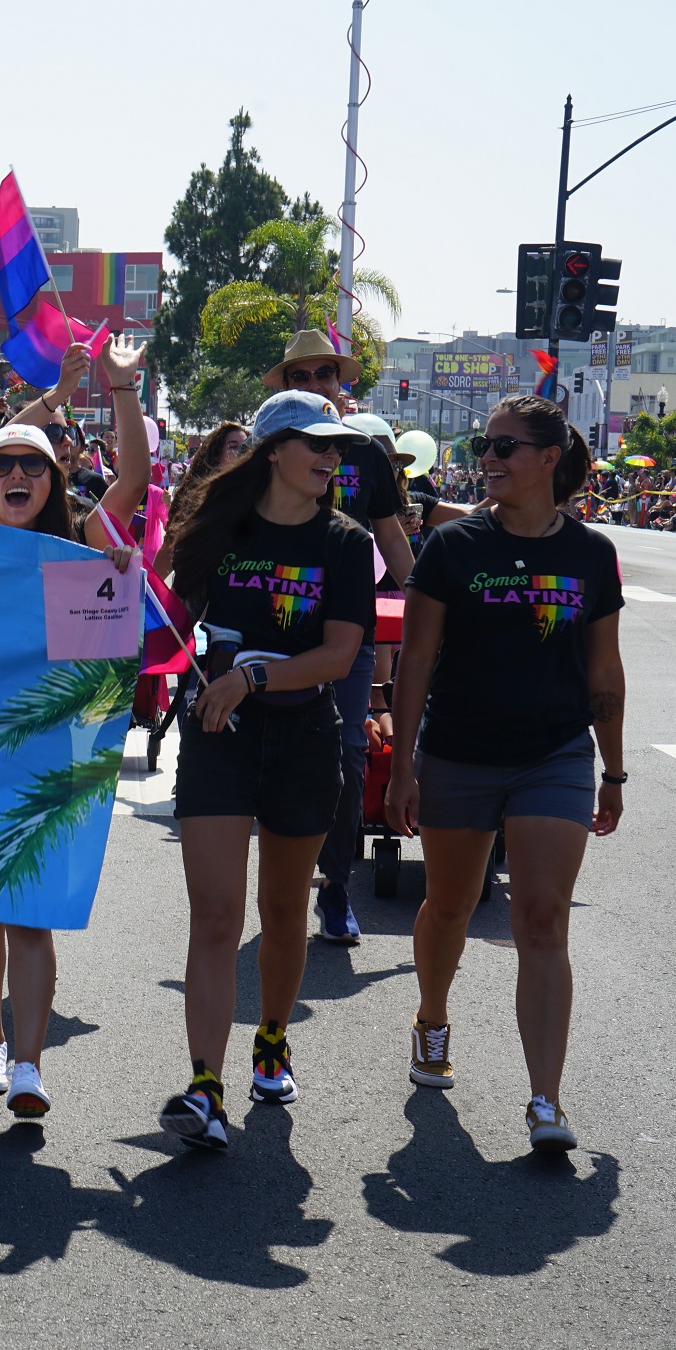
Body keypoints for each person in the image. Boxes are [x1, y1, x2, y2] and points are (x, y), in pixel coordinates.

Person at [386, 394, 625, 1154]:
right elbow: (416, 660)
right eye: (484, 445)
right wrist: (402, 765)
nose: (487, 457)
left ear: (549, 459)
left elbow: (605, 669)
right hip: (459, 751)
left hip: (554, 754)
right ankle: (432, 1017)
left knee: (543, 919)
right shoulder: (452, 547)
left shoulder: (591, 554)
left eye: (505, 446)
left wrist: (614, 770)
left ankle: (545, 1099)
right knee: (450, 906)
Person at [155, 390, 376, 1151]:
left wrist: (250, 677)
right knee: (216, 916)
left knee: (283, 913)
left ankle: (272, 1040)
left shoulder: (345, 542)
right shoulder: (219, 528)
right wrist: (125, 575)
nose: (330, 457)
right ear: (273, 450)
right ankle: (205, 1086)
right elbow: (162, 611)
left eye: (336, 446)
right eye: (316, 442)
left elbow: (339, 654)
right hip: (218, 736)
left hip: (304, 737)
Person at [0, 335, 151, 1118]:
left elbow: (134, 479)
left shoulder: (80, 545)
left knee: (28, 909)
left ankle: (28, 1063)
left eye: (33, 465)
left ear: (55, 479)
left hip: (48, 750)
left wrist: (120, 389)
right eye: (1, 465)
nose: (17, 475)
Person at [262, 329, 413, 944]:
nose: (314, 383)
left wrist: (426, 607)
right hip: (273, 620)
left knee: (348, 751)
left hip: (349, 627)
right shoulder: (266, 446)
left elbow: (392, 537)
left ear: (340, 383)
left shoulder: (367, 454)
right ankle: (282, 881)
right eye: (300, 376)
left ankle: (335, 887)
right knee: (270, 755)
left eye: (324, 374)